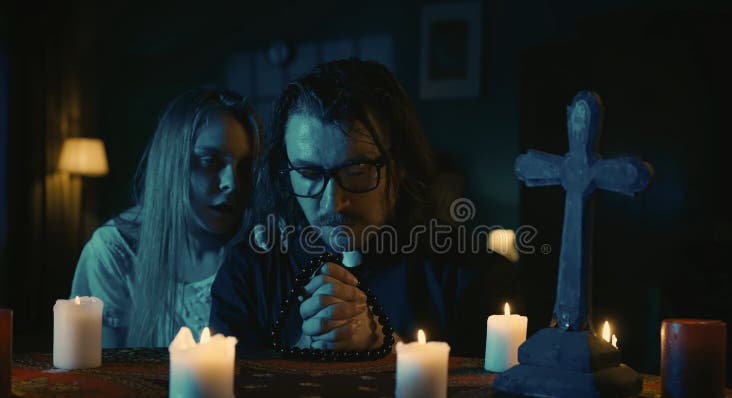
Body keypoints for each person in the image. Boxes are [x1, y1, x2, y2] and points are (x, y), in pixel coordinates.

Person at [210, 59, 519, 357]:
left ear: (400, 168)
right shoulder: (250, 272)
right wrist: (305, 348)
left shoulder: (467, 273)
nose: (334, 202)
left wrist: (388, 347)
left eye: (357, 171)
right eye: (309, 174)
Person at [70, 88, 264, 347]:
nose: (232, 183)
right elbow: (101, 374)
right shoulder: (117, 251)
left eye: (244, 167)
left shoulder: (260, 248)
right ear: (173, 164)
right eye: (211, 161)